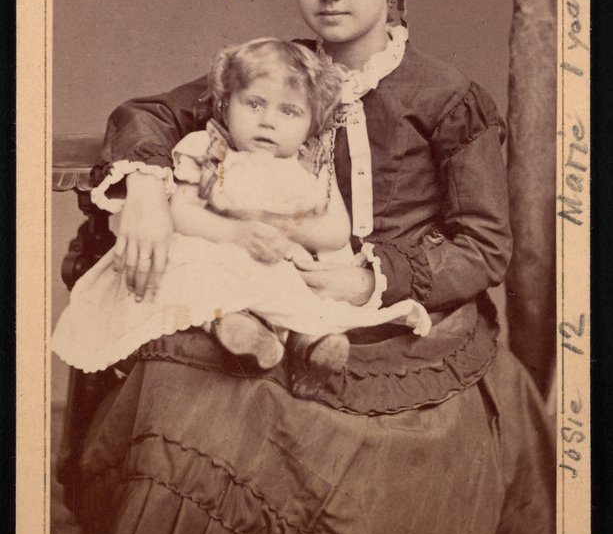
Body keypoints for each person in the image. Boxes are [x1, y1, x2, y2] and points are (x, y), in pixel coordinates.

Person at [76, 0, 555, 534]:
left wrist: (368, 278)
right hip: (265, 295)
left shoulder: (448, 97)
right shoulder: (275, 73)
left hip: (397, 319)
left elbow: (482, 246)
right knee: (179, 398)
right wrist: (149, 190)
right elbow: (146, 115)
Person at [51, 38, 430, 376]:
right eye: (254, 104)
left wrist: (282, 228)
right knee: (196, 275)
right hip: (220, 252)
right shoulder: (208, 150)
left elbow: (335, 230)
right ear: (225, 105)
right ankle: (232, 325)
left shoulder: (310, 166)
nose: (268, 122)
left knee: (296, 290)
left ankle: (309, 339)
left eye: (289, 111)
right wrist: (238, 232)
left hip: (281, 262)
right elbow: (181, 212)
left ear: (312, 123)